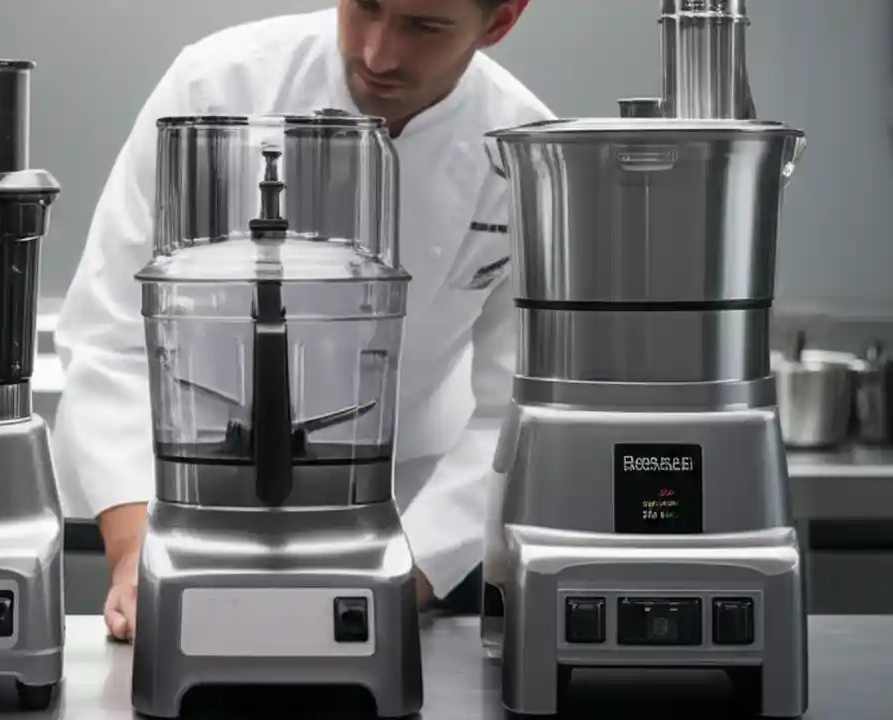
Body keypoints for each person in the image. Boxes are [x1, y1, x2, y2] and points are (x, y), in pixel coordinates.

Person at [52, 0, 552, 642]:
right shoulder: (216, 85)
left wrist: (408, 574)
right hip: (197, 497)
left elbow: (514, 407)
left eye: (423, 27)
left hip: (406, 508)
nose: (378, 54)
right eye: (365, 7)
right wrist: (137, 555)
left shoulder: (522, 151)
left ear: (500, 21)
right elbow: (111, 334)